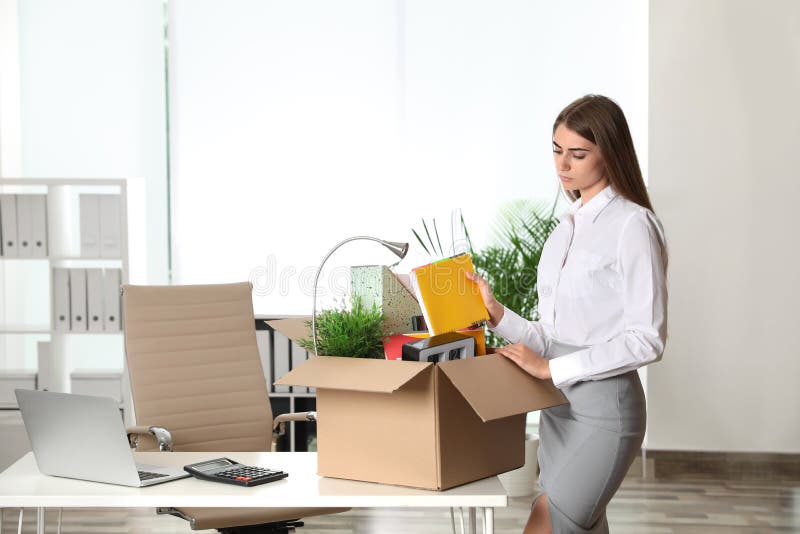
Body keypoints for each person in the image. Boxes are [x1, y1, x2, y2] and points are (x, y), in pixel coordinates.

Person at [467, 94, 668, 534]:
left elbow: (647, 338)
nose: (563, 165)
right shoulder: (565, 229)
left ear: (610, 153)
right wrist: (497, 313)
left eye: (577, 154)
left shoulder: (633, 225)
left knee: (549, 518)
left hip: (605, 409)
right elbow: (552, 333)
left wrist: (551, 368)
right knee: (581, 526)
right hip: (559, 407)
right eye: (557, 151)